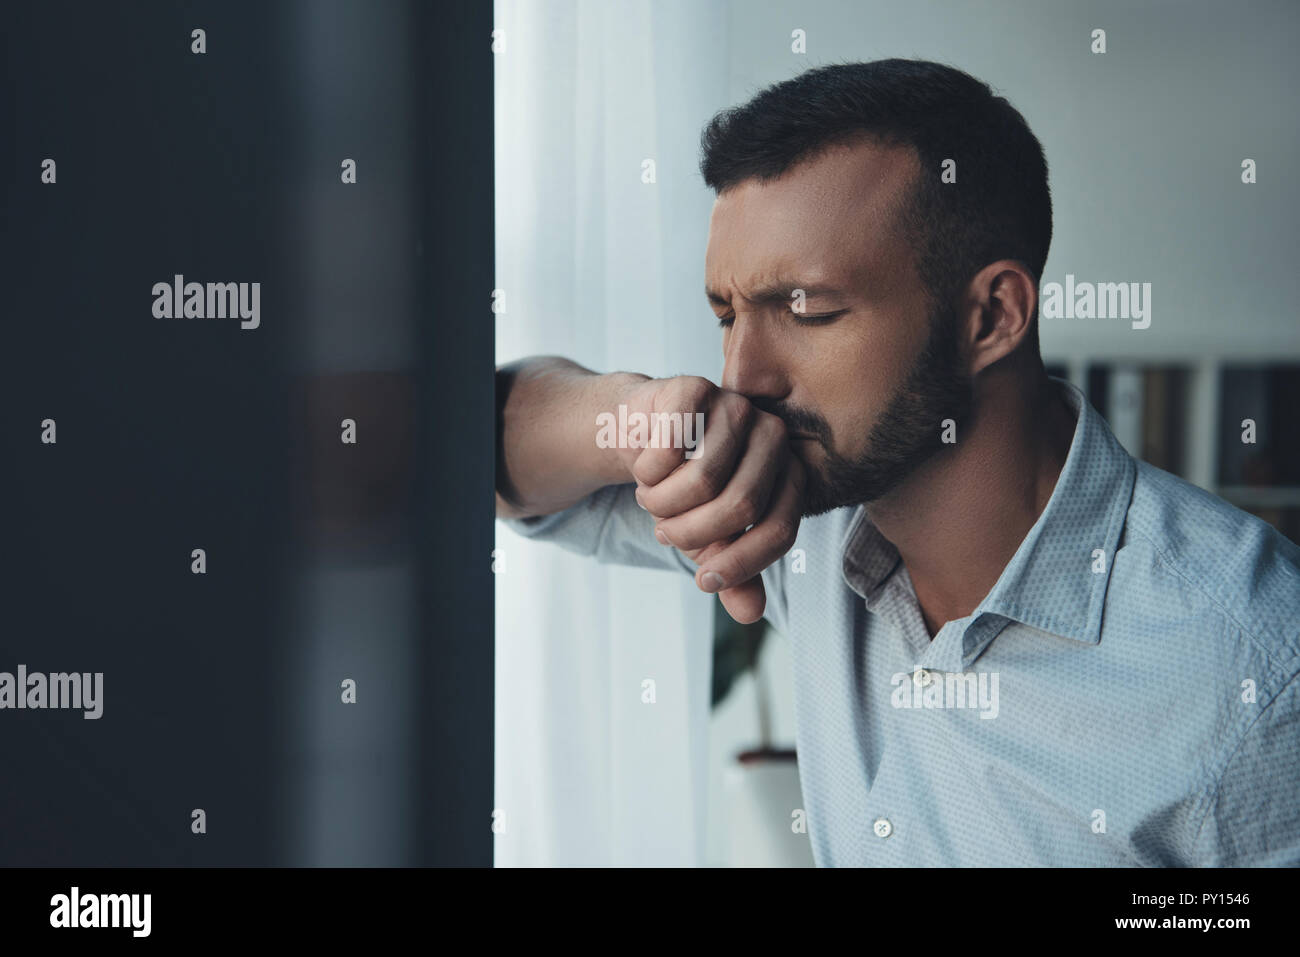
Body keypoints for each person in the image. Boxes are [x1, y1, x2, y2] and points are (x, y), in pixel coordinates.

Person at [495, 59, 1300, 866]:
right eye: (727, 314)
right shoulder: (789, 505)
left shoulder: (1258, 665)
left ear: (992, 315)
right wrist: (631, 416)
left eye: (806, 310)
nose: (744, 377)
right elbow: (492, 458)